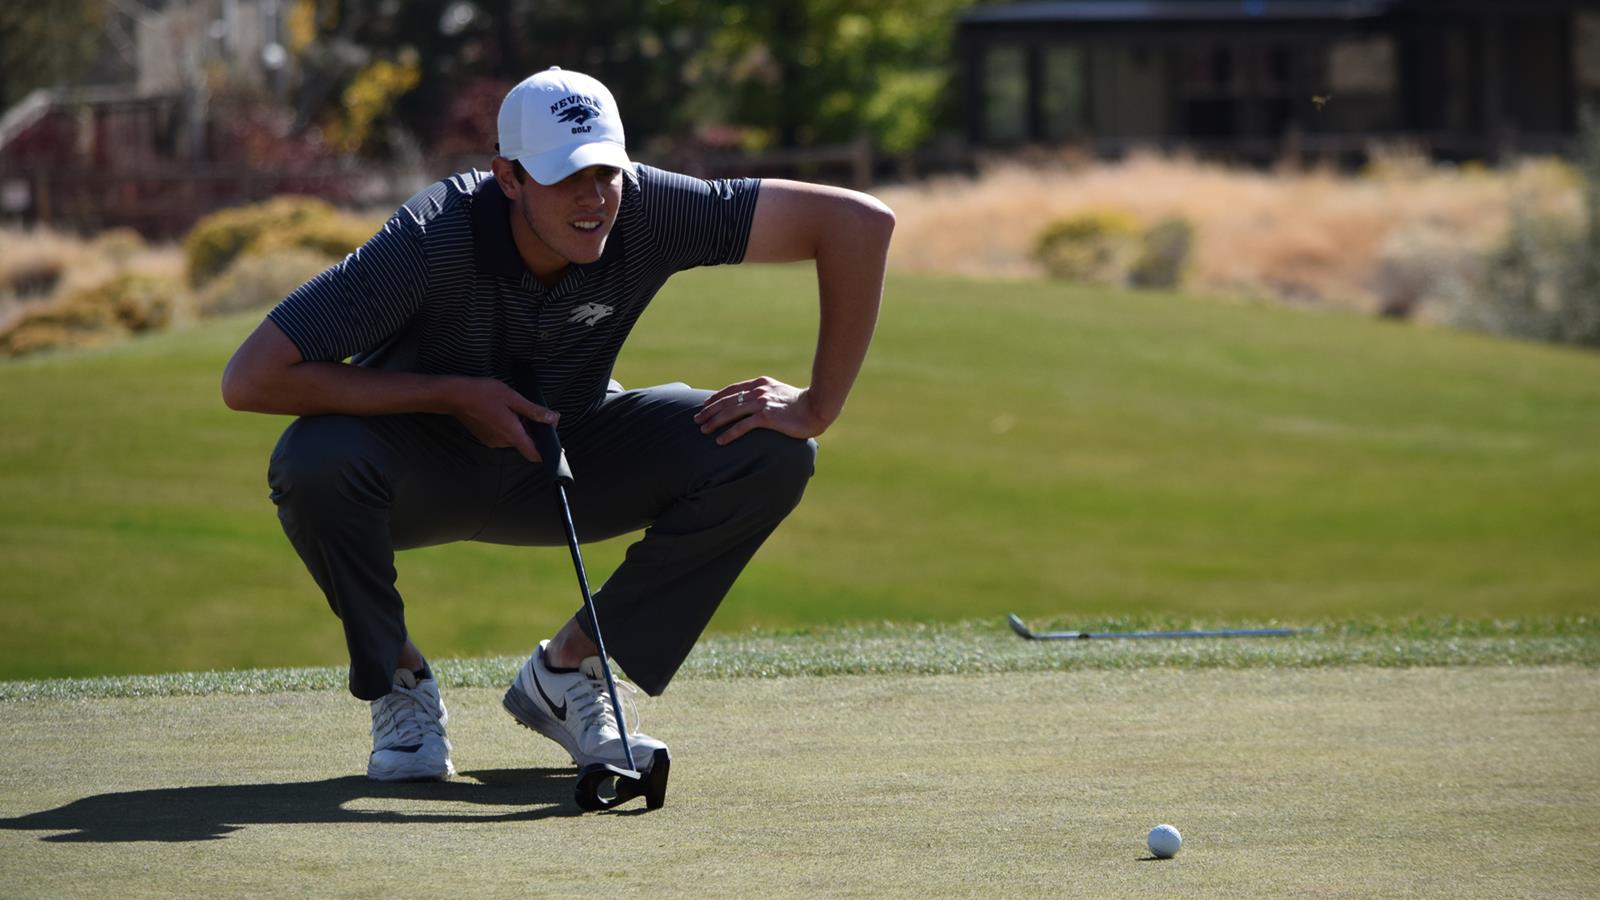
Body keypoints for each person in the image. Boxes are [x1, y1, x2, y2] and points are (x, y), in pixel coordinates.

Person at [221, 67, 893, 781]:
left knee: (772, 452)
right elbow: (251, 377)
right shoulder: (428, 240)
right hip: (416, 473)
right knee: (312, 460)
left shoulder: (649, 209)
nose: (593, 198)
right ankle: (400, 678)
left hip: (567, 457)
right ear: (508, 177)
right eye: (565, 176)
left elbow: (858, 224)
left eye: (606, 171)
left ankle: (570, 670)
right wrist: (452, 395)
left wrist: (817, 406)